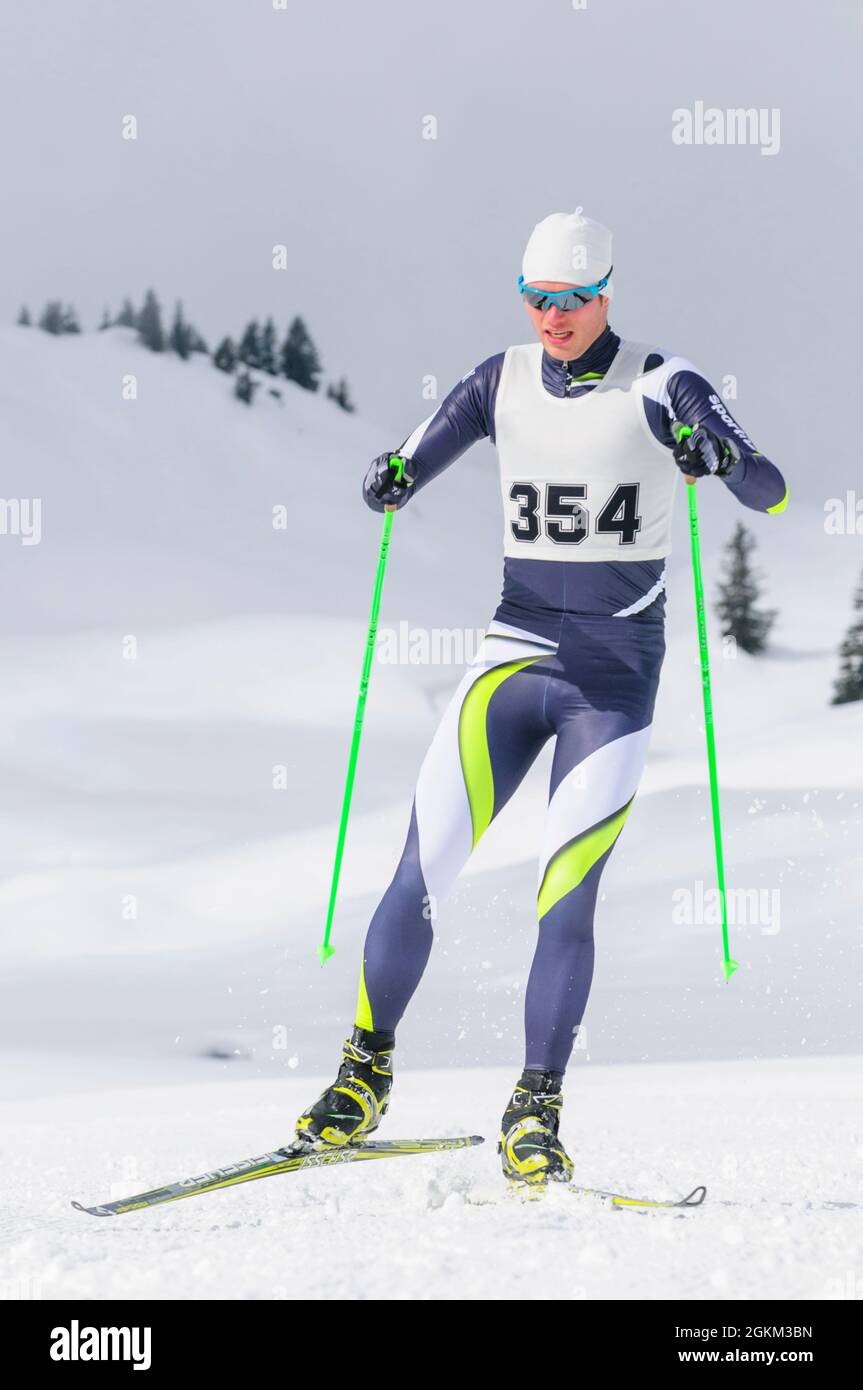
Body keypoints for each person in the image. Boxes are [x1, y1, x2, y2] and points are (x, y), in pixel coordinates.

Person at [295, 208, 788, 1185]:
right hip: (513, 658)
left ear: (604, 290)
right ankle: (362, 1072)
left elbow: (769, 488)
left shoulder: (661, 382)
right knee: (418, 867)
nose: (550, 317)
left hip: (609, 679)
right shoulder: (500, 378)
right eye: (534, 299)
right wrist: (391, 476)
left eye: (568, 300)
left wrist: (719, 455)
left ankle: (534, 1106)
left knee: (562, 897)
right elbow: (415, 456)